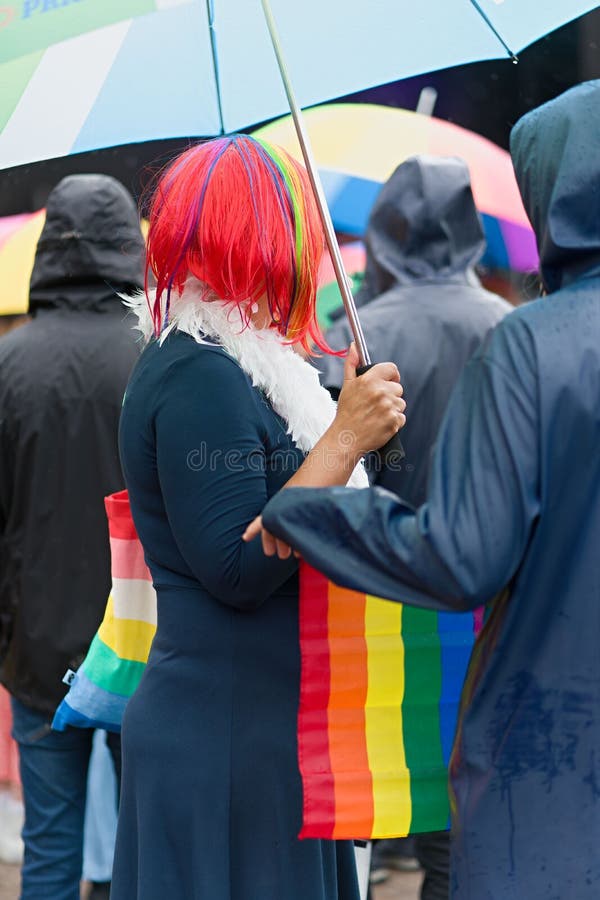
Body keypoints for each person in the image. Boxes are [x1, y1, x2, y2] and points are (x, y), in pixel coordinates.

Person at [252, 80, 600, 899]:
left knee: (389, 824)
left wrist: (309, 510)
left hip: (476, 655)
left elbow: (460, 551)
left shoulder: (514, 343)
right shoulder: (498, 319)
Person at [112, 135, 405, 900]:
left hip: (258, 732)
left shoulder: (246, 365)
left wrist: (344, 432)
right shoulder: (198, 373)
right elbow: (238, 568)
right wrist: (343, 438)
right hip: (225, 743)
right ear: (273, 234)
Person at [321, 155, 511, 899]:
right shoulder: (510, 327)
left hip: (375, 598)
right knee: (454, 826)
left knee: (362, 818)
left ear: (384, 229)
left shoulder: (359, 337)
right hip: (483, 598)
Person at [0, 174, 144, 899]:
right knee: (142, 853)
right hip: (144, 646)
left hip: (38, 648)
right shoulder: (157, 353)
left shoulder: (9, 364)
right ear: (130, 244)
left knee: (49, 852)